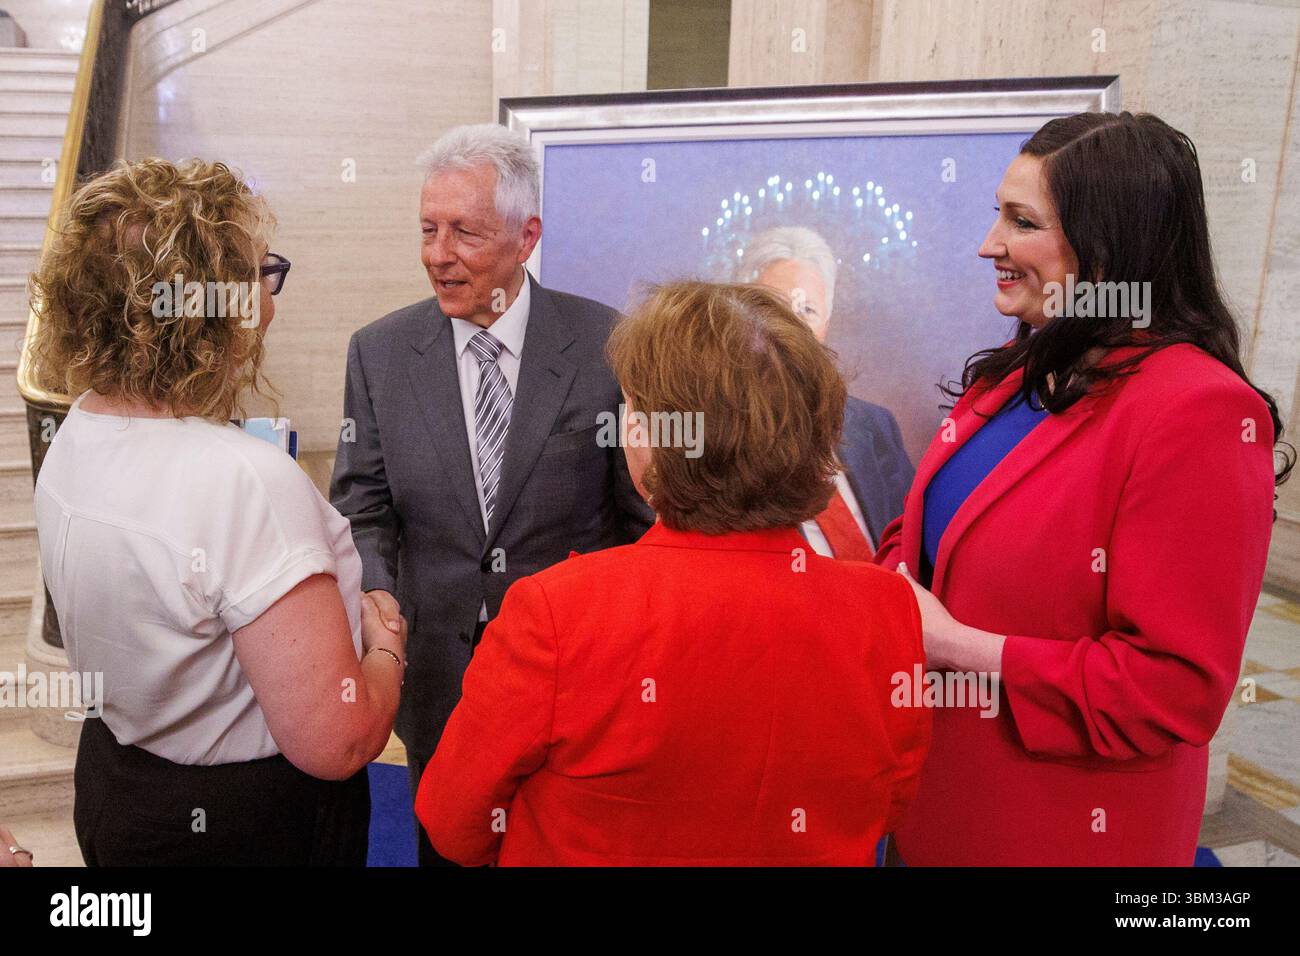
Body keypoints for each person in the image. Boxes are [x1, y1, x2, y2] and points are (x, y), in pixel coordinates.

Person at [875, 111, 1290, 865]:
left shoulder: (1197, 411)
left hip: (1060, 831)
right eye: (997, 214)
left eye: (1020, 222)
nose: (988, 245)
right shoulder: (1026, 360)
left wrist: (958, 647)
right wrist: (892, 584)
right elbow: (929, 529)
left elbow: (1172, 690)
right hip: (934, 804)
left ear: (1106, 251)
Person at [416, 281, 930, 866]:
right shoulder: (885, 610)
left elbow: (454, 824)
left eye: (631, 404)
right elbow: (887, 806)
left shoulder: (559, 612)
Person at [30, 158, 405, 866]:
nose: (270, 298)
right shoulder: (245, 481)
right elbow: (340, 741)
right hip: (244, 823)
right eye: (262, 274)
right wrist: (386, 648)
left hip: (116, 782)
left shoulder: (76, 432)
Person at [329, 124, 653, 866]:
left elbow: (639, 522)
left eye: (464, 233)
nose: (438, 255)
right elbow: (361, 505)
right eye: (428, 229)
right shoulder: (379, 352)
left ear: (526, 235)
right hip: (438, 676)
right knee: (446, 847)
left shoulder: (609, 345)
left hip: (577, 682)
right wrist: (378, 603)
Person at [737, 226, 913, 559]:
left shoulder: (875, 425)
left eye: (808, 310)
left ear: (827, 321)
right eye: (775, 307)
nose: (794, 327)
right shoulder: (716, 431)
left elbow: (911, 541)